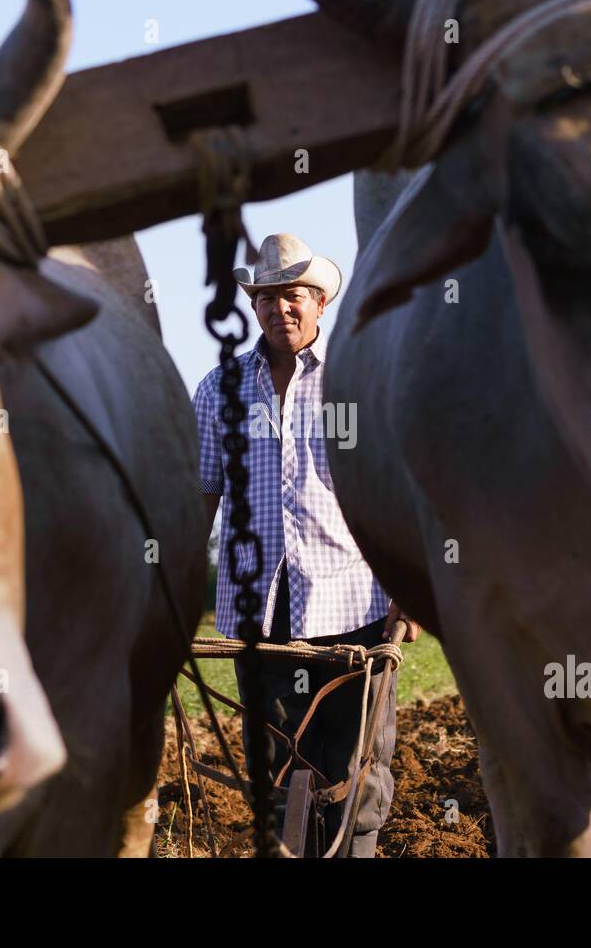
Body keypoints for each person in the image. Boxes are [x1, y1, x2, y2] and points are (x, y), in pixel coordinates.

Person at [192, 232, 420, 857]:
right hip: (257, 618)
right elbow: (201, 496)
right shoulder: (221, 390)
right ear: (253, 306)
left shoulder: (358, 383)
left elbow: (397, 490)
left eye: (292, 295)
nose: (278, 308)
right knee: (273, 777)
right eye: (266, 297)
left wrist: (409, 587)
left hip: (353, 608)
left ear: (320, 303)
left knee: (358, 773)